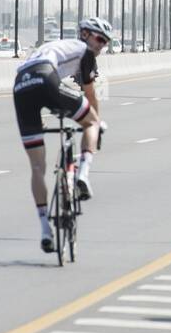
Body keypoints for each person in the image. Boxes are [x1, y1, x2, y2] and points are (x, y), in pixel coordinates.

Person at [13, 16, 109, 252]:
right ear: (85, 34)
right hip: (46, 77)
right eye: (98, 39)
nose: (100, 46)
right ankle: (84, 175)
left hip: (20, 84)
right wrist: (95, 124)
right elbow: (90, 95)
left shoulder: (57, 46)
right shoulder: (83, 51)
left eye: (105, 43)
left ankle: (45, 229)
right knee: (92, 122)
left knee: (37, 167)